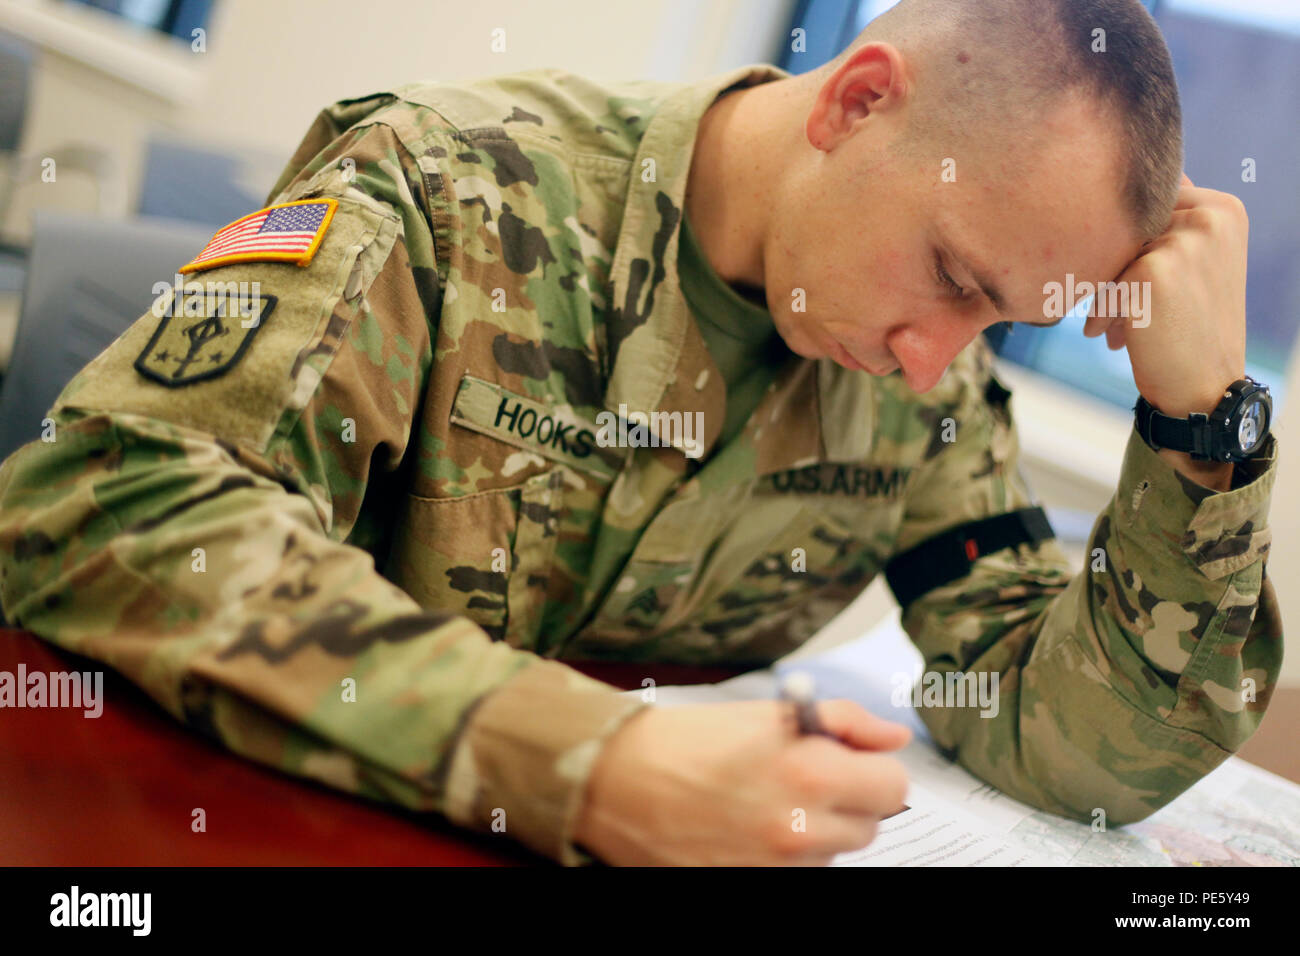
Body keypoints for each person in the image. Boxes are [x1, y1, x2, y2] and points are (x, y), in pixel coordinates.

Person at [0, 0, 1280, 866]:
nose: (935, 356)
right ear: (858, 101)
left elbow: (1070, 746)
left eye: (997, 319)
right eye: (952, 272)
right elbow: (113, 504)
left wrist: (1200, 427)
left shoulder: (921, 383)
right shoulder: (445, 186)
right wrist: (589, 760)